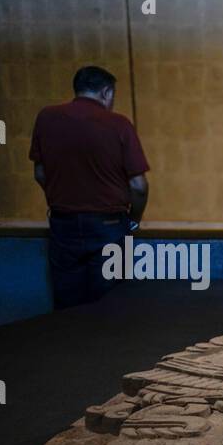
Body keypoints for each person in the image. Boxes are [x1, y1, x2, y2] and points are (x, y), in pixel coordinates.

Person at [29, 66, 150, 309]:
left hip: (63, 224)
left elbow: (40, 173)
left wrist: (63, 197)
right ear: (106, 92)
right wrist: (133, 221)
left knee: (67, 308)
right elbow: (138, 186)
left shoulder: (46, 117)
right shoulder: (118, 124)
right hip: (109, 225)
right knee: (110, 306)